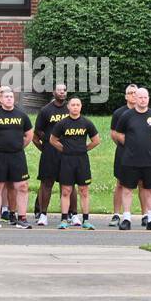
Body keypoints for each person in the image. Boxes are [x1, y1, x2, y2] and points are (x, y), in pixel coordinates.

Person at [111, 86, 151, 231]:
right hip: (130, 160)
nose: (142, 100)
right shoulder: (127, 116)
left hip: (150, 160)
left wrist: (150, 146)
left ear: (148, 98)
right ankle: (126, 219)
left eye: (145, 97)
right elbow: (118, 133)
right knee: (127, 189)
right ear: (136, 98)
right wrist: (130, 145)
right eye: (140, 97)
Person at [0, 86, 34, 229]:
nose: (9, 99)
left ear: (14, 99)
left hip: (17, 156)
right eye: (6, 97)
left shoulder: (21, 115)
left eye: (11, 97)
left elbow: (29, 135)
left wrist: (18, 146)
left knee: (22, 186)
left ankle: (22, 218)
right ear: (0, 99)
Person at [47, 96, 100, 229]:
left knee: (84, 190)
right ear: (68, 107)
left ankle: (86, 220)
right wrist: (64, 149)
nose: (75, 107)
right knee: (66, 190)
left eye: (78, 105)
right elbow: (52, 140)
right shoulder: (62, 123)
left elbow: (96, 140)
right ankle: (64, 219)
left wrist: (83, 149)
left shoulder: (87, 123)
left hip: (82, 160)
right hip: (67, 160)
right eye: (73, 105)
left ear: (81, 107)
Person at [33, 83, 74, 226]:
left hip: (68, 153)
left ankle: (72, 214)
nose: (62, 92)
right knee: (46, 183)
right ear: (53, 92)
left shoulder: (71, 108)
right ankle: (42, 213)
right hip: (50, 153)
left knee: (69, 184)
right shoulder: (45, 110)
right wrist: (45, 148)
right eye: (59, 90)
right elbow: (37, 133)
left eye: (64, 90)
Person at [108, 84, 139, 227]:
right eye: (130, 93)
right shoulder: (119, 113)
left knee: (143, 184)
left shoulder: (145, 112)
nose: (133, 95)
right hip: (123, 152)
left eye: (135, 92)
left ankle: (146, 216)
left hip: (142, 154)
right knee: (120, 183)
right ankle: (116, 214)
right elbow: (114, 134)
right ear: (126, 96)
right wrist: (127, 145)